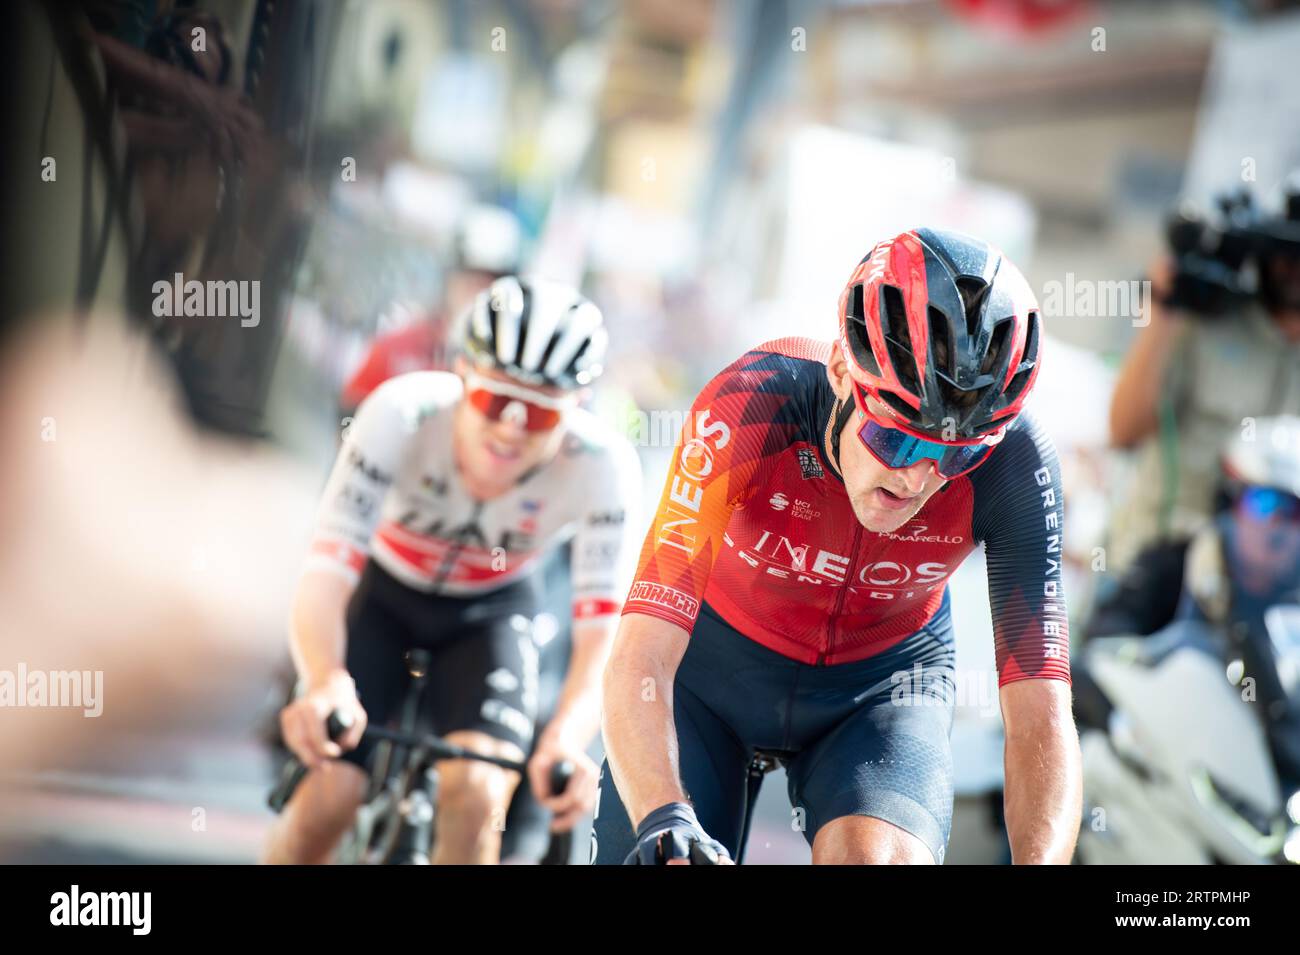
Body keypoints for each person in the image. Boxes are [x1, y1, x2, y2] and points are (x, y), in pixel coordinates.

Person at [594, 227, 1080, 865]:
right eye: (898, 439)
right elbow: (640, 656)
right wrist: (664, 814)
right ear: (841, 373)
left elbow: (1040, 708)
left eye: (957, 455)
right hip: (706, 679)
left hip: (881, 688)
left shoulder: (1016, 465)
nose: (916, 478)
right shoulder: (752, 404)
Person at [263, 277, 642, 864]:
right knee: (329, 795)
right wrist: (322, 679)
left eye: (540, 413)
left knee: (481, 793)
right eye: (496, 399)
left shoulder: (603, 467)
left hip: (490, 609)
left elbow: (602, 637)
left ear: (578, 407)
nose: (510, 426)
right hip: (382, 593)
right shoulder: (399, 412)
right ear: (463, 373)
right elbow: (327, 570)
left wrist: (567, 735)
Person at [1098, 181, 1300, 635]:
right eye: (1287, 254)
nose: (1294, 271)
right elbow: (1123, 429)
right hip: (1153, 575)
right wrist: (1165, 308)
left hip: (1266, 606)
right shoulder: (1205, 322)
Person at [339, 204, 523, 418]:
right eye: (470, 280)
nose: (476, 295)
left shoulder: (509, 375)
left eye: (488, 284)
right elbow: (351, 416)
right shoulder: (400, 348)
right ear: (450, 279)